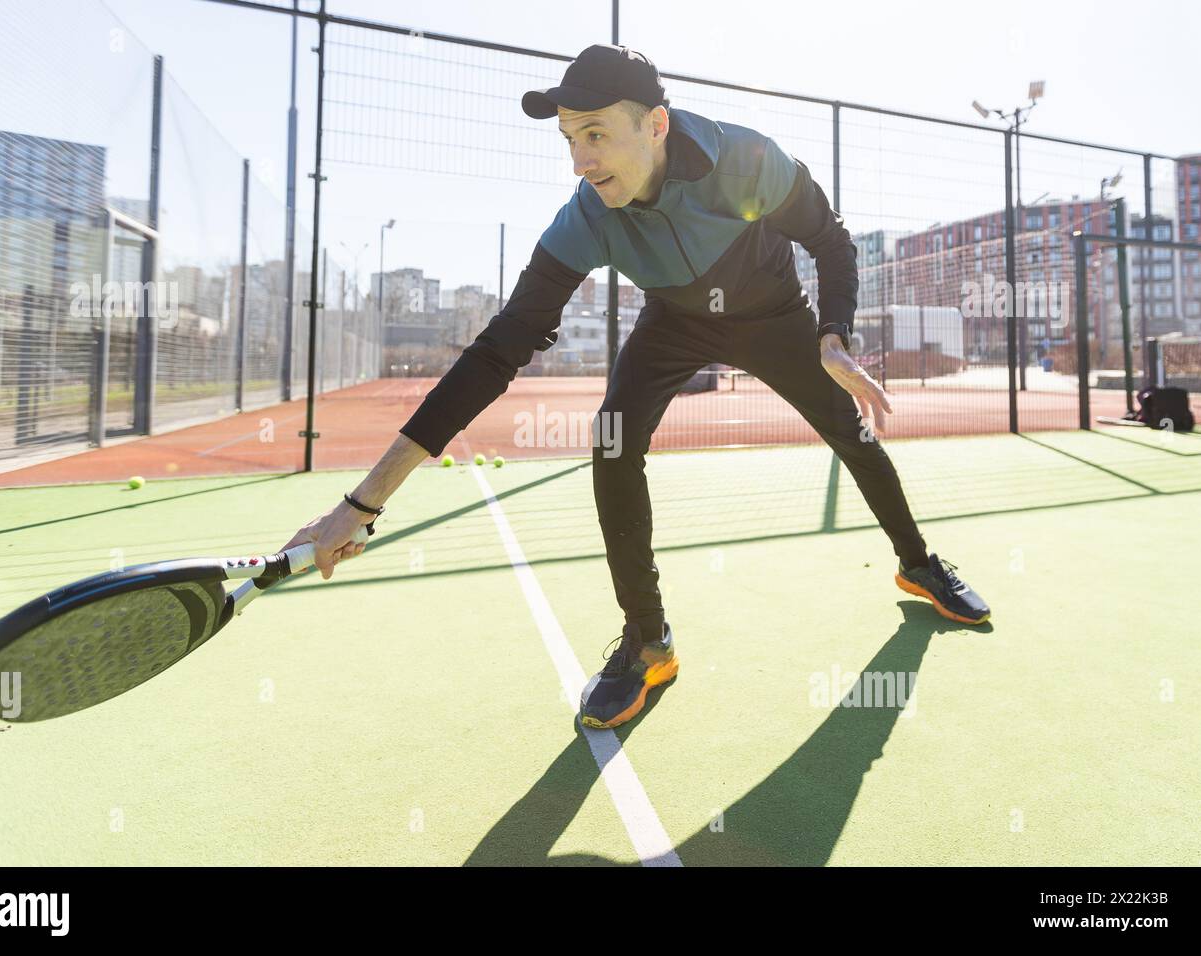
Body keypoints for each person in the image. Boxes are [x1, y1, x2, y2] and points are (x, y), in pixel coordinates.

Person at [281, 44, 991, 730]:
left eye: (595, 134)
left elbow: (830, 239)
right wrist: (361, 503)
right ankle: (648, 641)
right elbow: (499, 347)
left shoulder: (745, 160)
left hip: (774, 315)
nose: (581, 160)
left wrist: (833, 333)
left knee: (853, 434)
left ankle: (919, 565)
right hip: (676, 321)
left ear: (655, 124)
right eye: (567, 139)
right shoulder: (586, 217)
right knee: (612, 444)